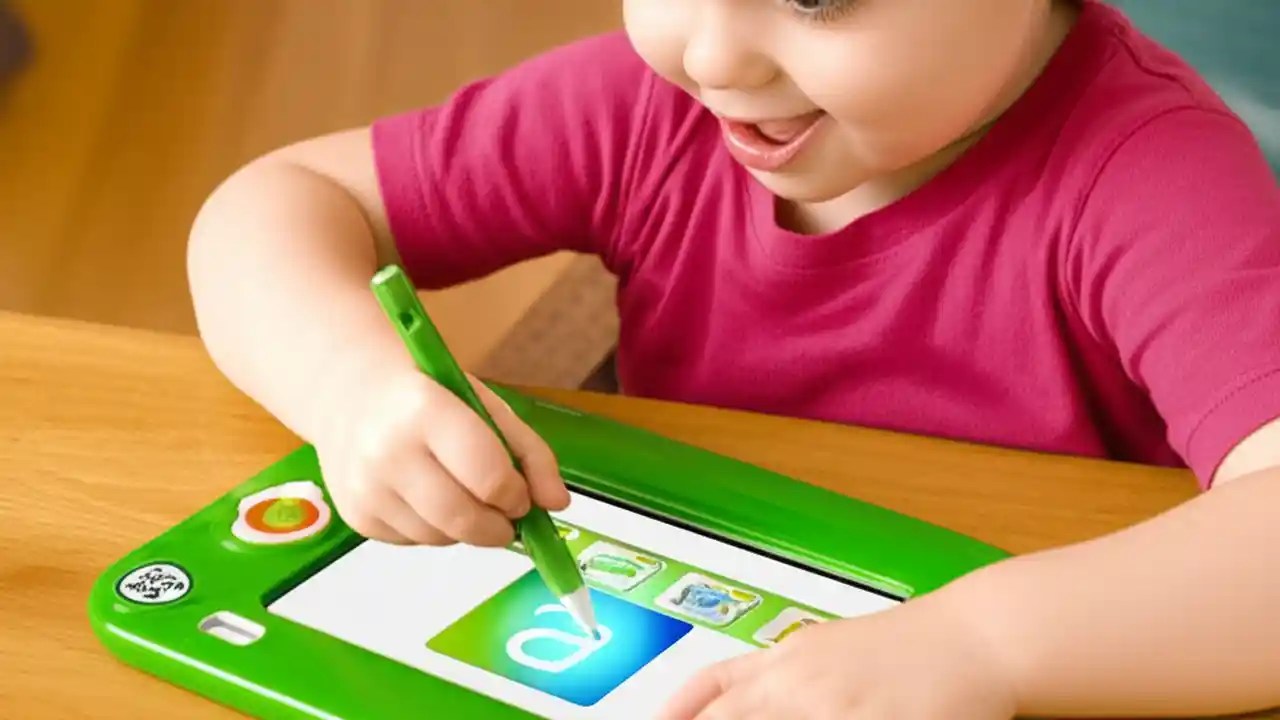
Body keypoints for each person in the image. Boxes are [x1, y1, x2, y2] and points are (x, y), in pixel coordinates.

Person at [186, 0, 1280, 716]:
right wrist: (351, 384)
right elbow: (277, 205)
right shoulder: (649, 107)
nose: (709, 54)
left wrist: (982, 648)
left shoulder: (1153, 179)